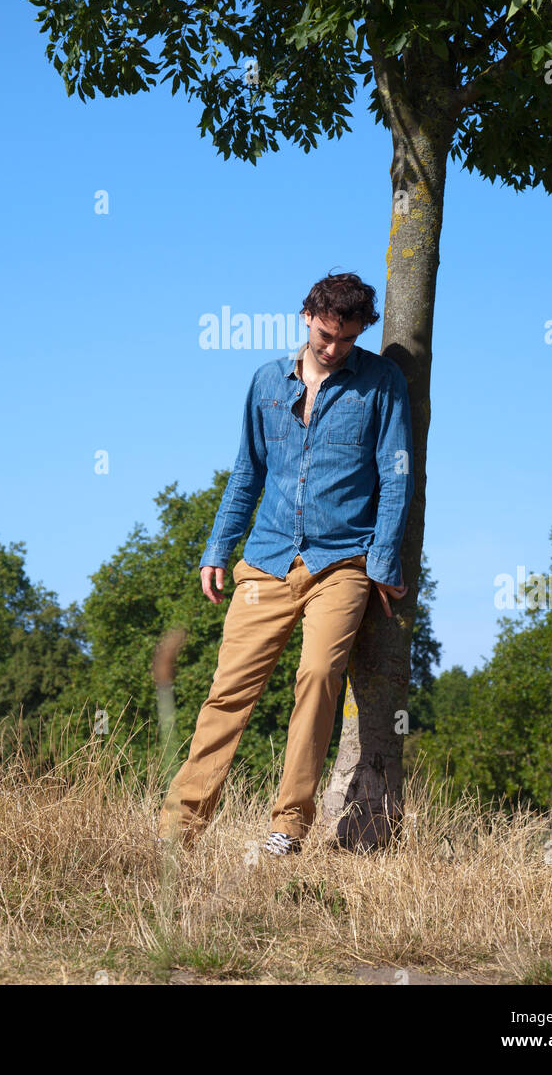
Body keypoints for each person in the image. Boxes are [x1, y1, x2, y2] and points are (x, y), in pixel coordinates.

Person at [157, 271, 414, 856]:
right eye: (326, 335)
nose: (333, 349)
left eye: (346, 340)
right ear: (307, 318)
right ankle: (181, 825)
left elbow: (396, 476)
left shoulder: (382, 383)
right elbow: (247, 471)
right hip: (268, 558)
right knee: (228, 691)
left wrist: (382, 559)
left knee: (318, 678)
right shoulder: (266, 382)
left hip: (343, 562)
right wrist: (217, 549)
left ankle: (288, 826)